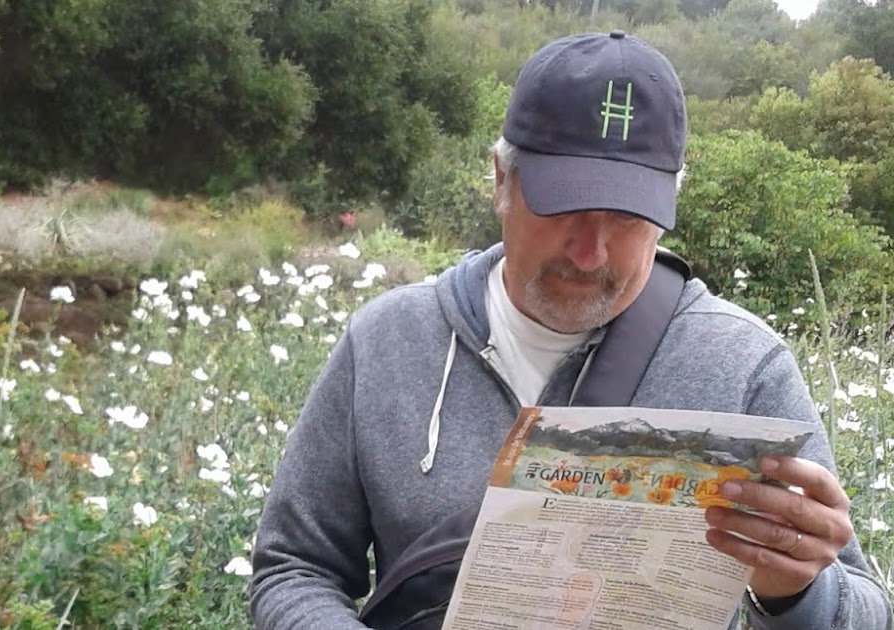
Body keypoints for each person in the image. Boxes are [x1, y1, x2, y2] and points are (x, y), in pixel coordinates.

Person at [248, 30, 893, 630]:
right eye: (565, 207)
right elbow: (293, 568)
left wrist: (801, 592)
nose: (591, 251)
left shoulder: (744, 364)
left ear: (669, 205)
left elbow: (866, 607)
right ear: (502, 181)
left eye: (627, 217)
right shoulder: (388, 340)